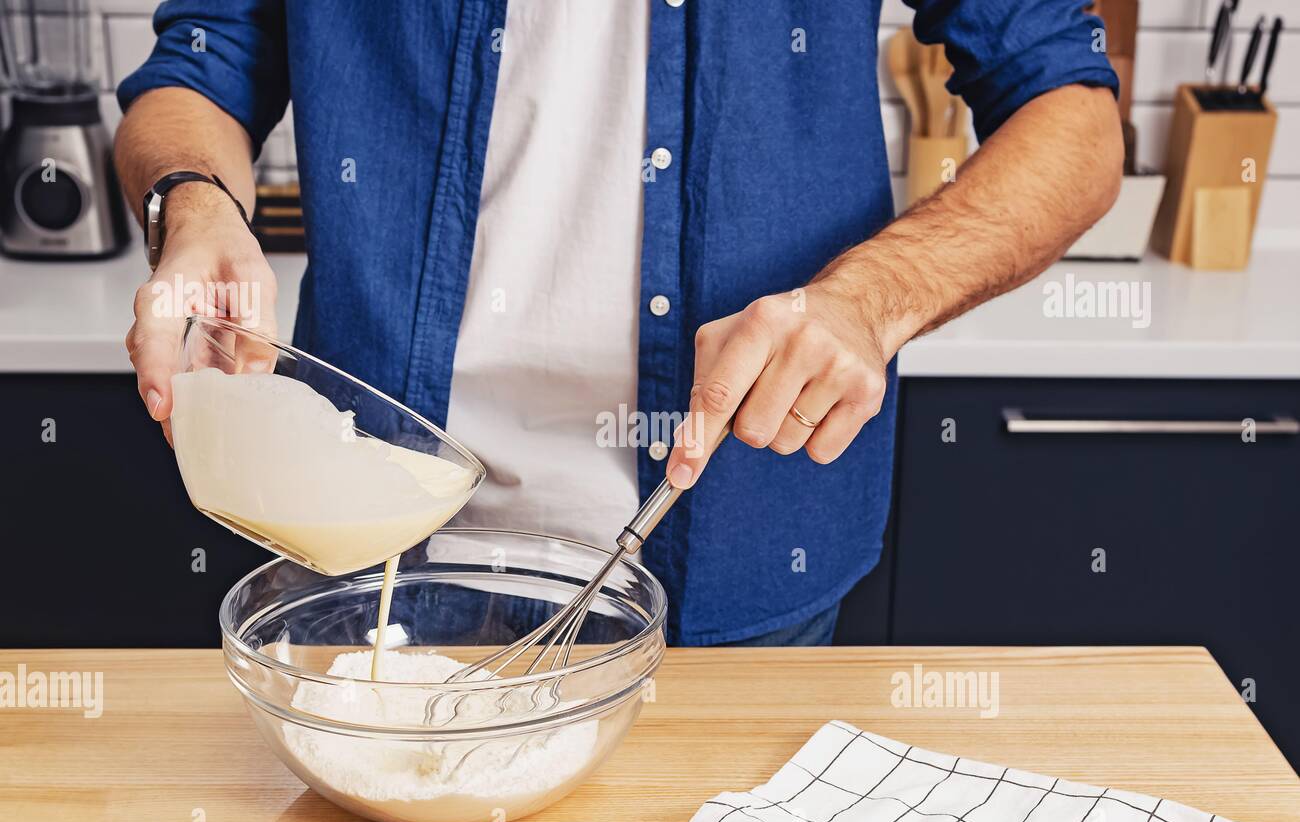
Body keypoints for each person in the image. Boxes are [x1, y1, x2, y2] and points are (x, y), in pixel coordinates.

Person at [116, 1, 1122, 647]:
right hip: (363, 539)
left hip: (732, 561)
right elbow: (208, 58)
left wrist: (875, 295)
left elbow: (1070, 114)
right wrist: (192, 202)